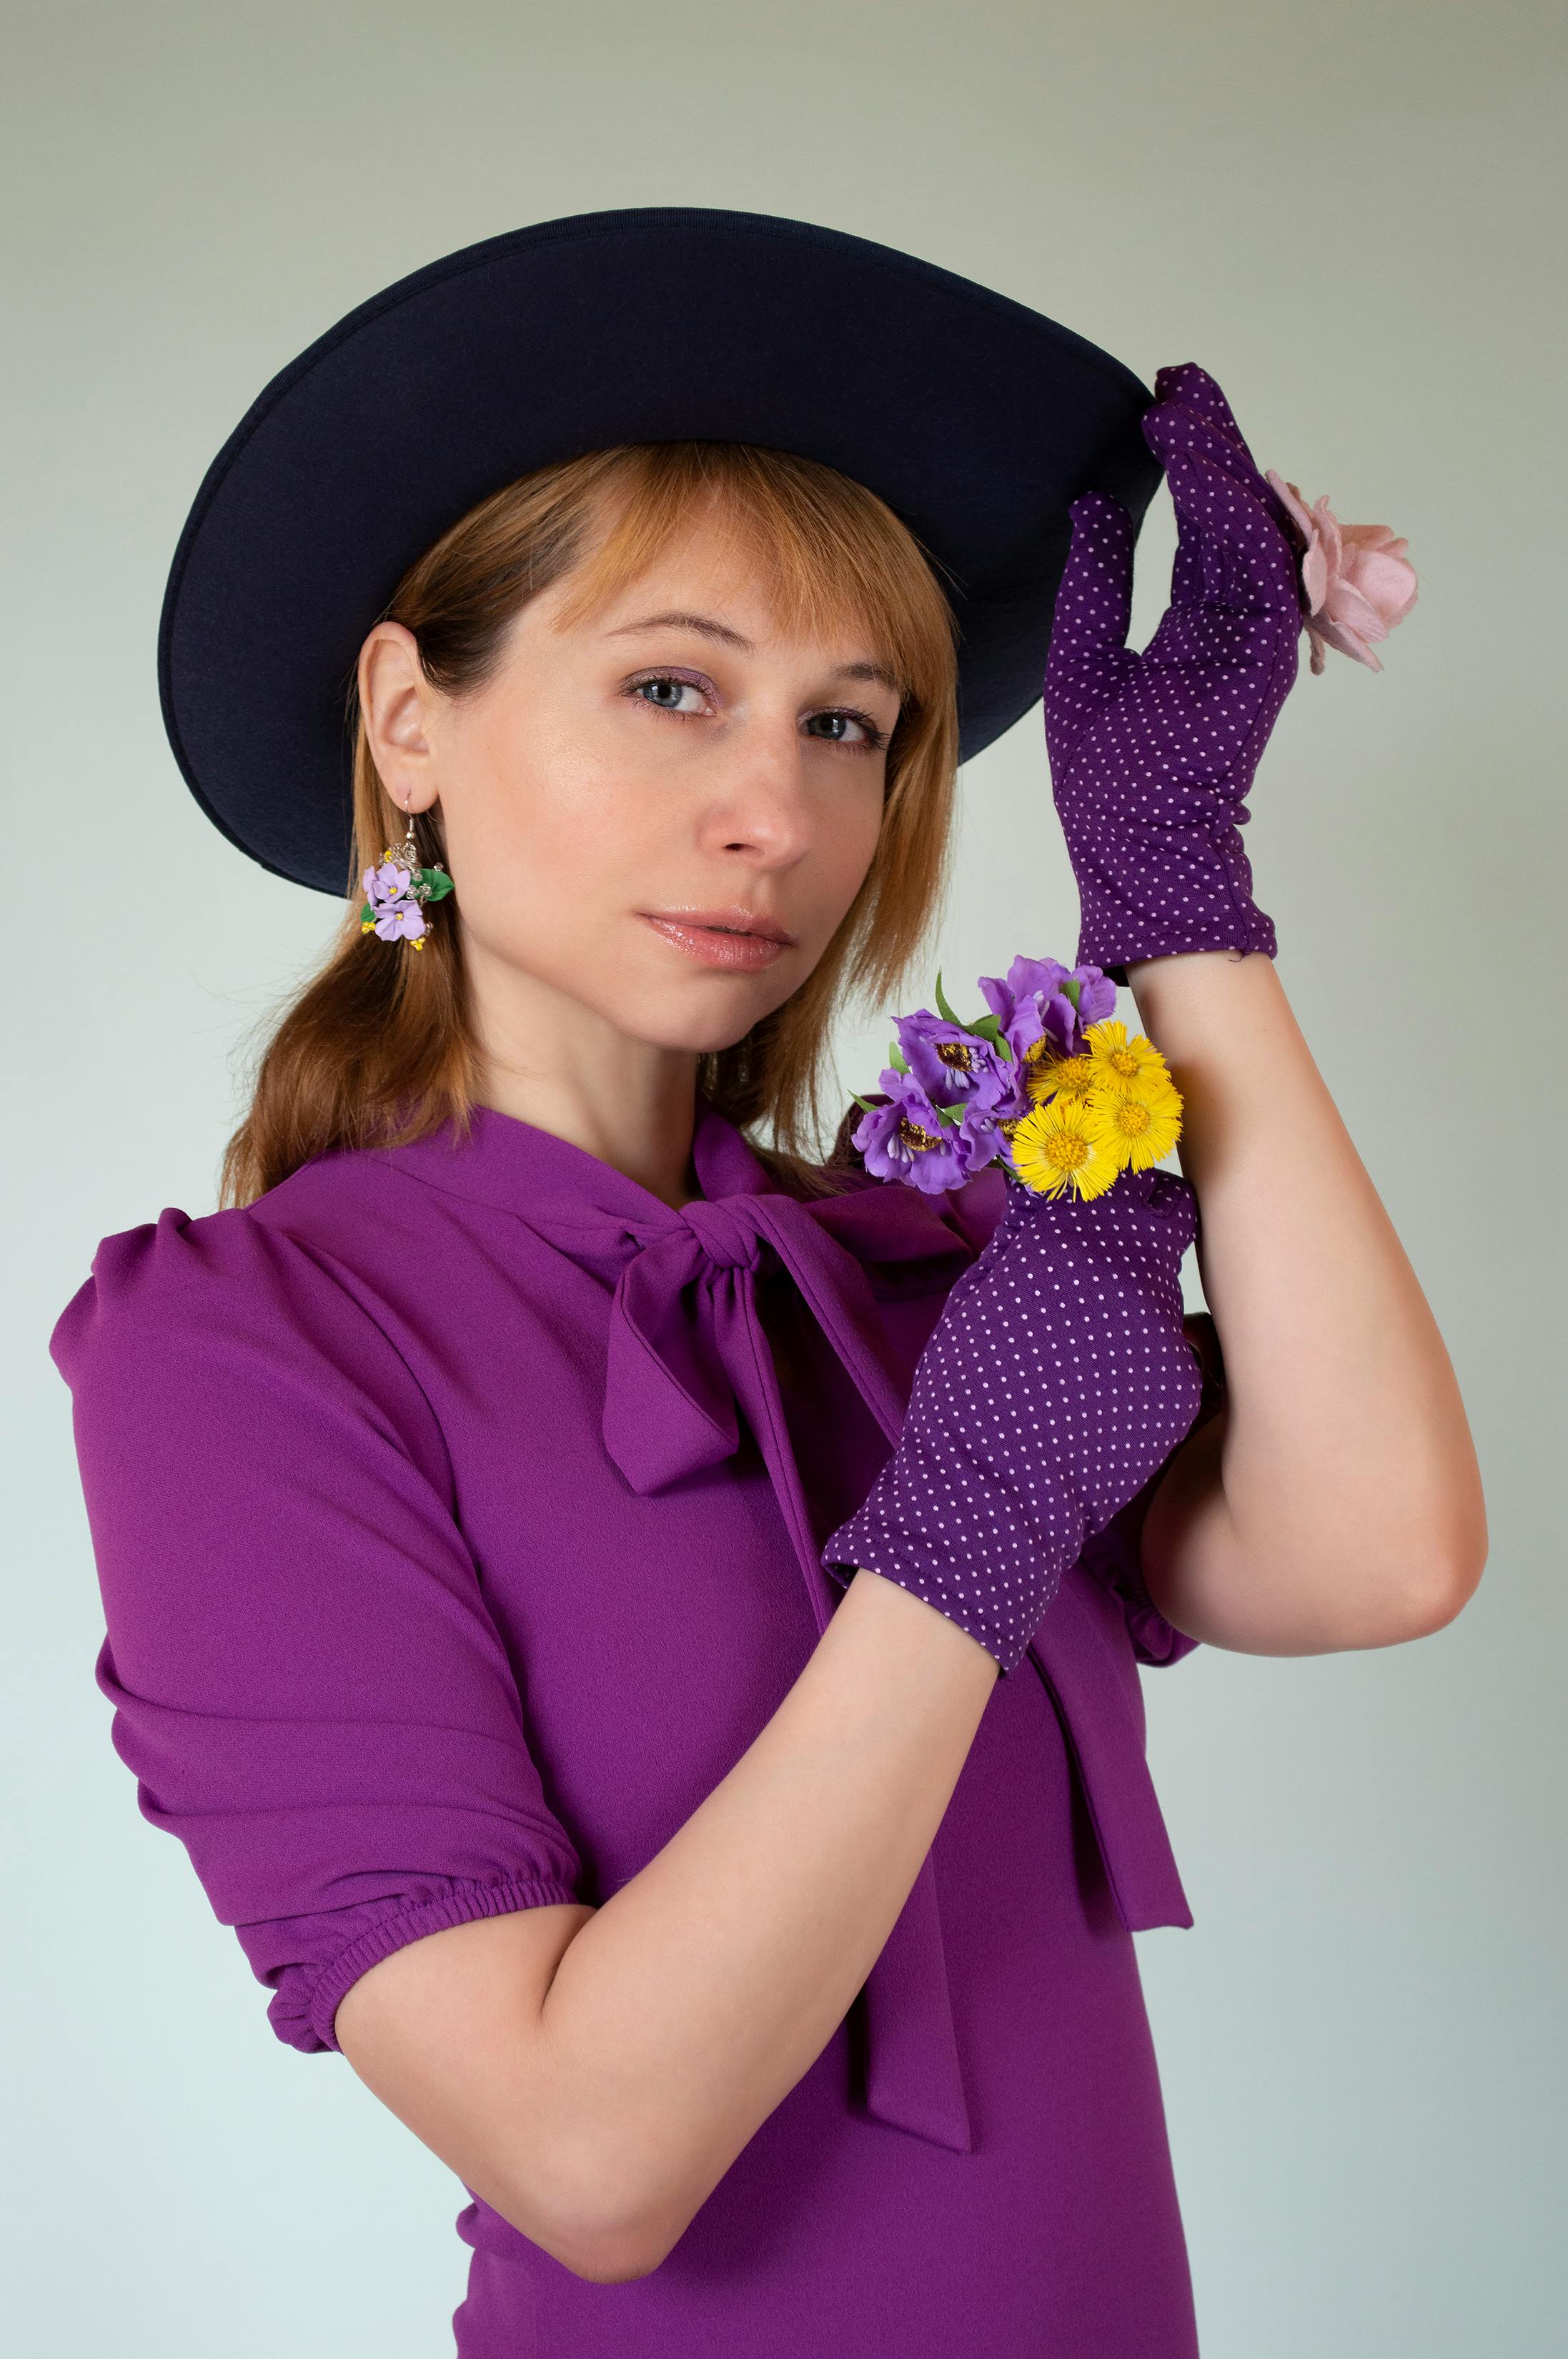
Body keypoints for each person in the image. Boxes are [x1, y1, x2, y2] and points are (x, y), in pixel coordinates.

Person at [49, 209, 1485, 2357]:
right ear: (406, 718)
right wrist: (963, 1536)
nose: (774, 811)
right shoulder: (246, 1349)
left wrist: (1181, 895)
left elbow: (1379, 1548)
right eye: (670, 686)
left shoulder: (910, 1277)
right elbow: (587, 2158)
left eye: (850, 724)